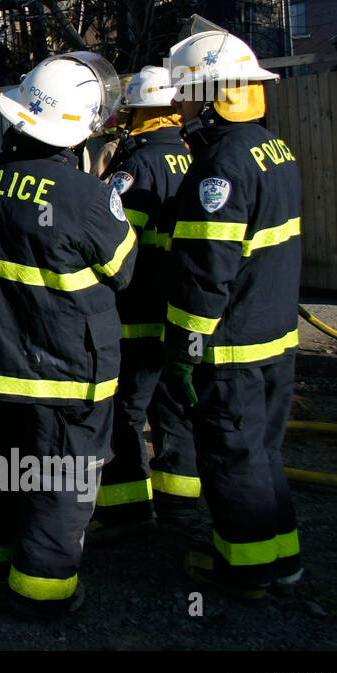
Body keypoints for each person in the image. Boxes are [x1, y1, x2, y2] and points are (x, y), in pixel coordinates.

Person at [0, 51, 137, 619]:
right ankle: (41, 593)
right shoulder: (88, 199)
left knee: (3, 457)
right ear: (81, 128)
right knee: (62, 474)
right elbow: (124, 272)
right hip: (67, 372)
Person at [161, 19, 303, 599]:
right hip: (275, 338)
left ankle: (245, 571)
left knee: (231, 455)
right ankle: (281, 559)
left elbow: (204, 274)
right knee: (263, 452)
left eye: (188, 91)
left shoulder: (219, 169)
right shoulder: (274, 148)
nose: (180, 103)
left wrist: (185, 351)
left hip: (233, 347)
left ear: (215, 92)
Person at [90, 65, 195, 539]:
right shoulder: (195, 157)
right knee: (173, 409)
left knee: (125, 413)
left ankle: (127, 509)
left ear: (139, 114)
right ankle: (181, 504)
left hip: (135, 313)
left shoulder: (135, 167)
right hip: (181, 312)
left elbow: (114, 240)